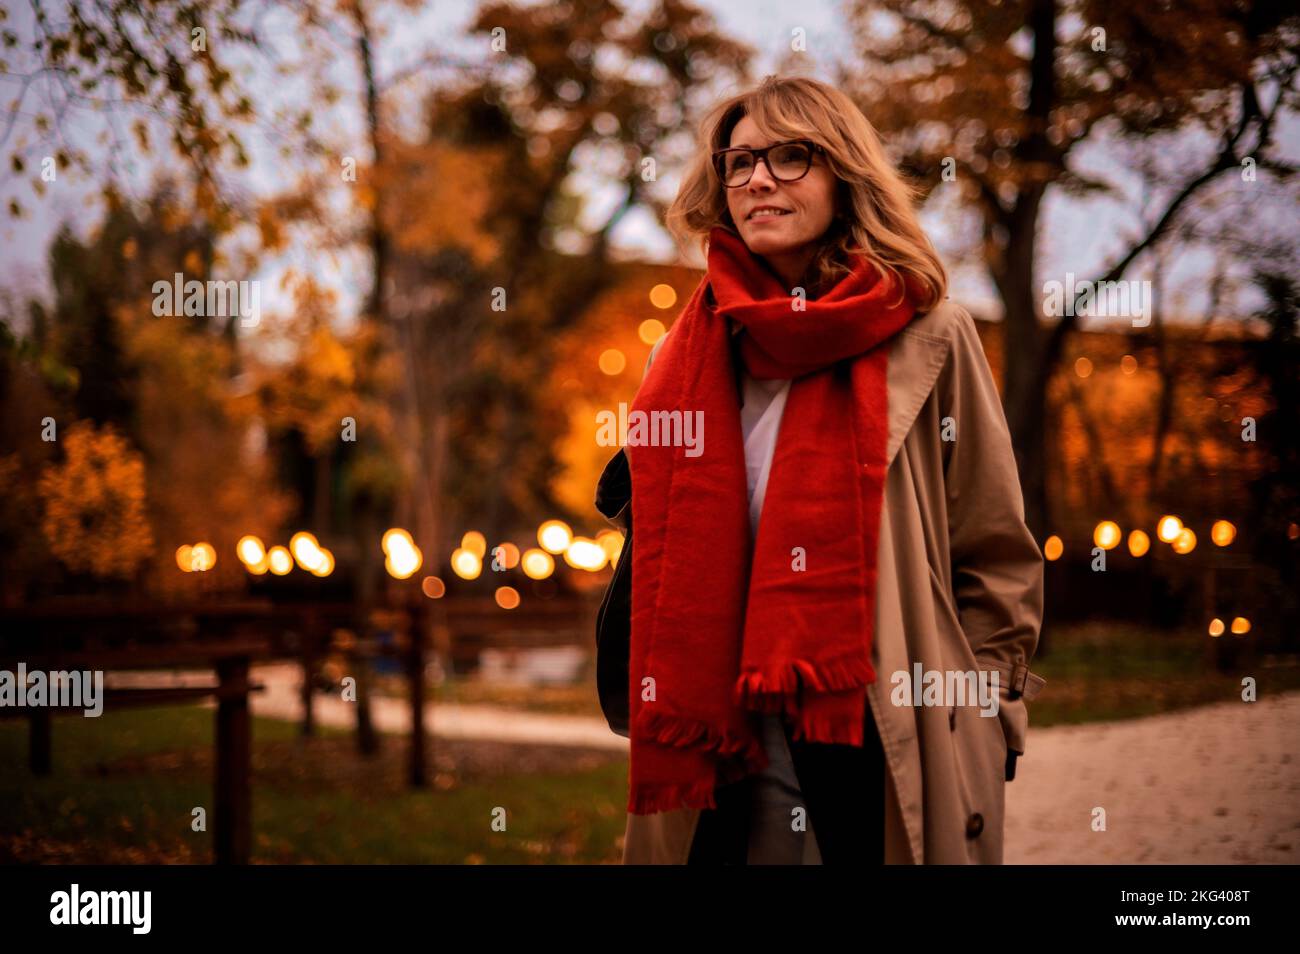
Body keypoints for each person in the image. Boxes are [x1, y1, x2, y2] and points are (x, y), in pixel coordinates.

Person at [617, 75, 1046, 865]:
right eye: (738, 162)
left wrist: (987, 712)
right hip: (722, 745)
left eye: (791, 157)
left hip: (881, 728)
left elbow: (994, 549)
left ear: (844, 177)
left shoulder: (930, 335)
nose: (757, 179)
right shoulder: (683, 357)